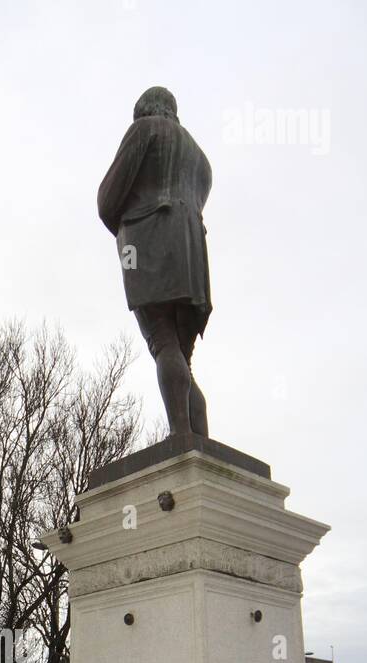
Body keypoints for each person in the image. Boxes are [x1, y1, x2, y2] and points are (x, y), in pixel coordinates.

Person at [97, 86, 212, 437]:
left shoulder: (144, 130)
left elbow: (106, 200)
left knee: (161, 340)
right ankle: (198, 439)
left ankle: (180, 438)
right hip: (193, 252)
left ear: (145, 109)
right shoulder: (200, 158)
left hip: (146, 241)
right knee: (181, 355)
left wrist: (124, 223)